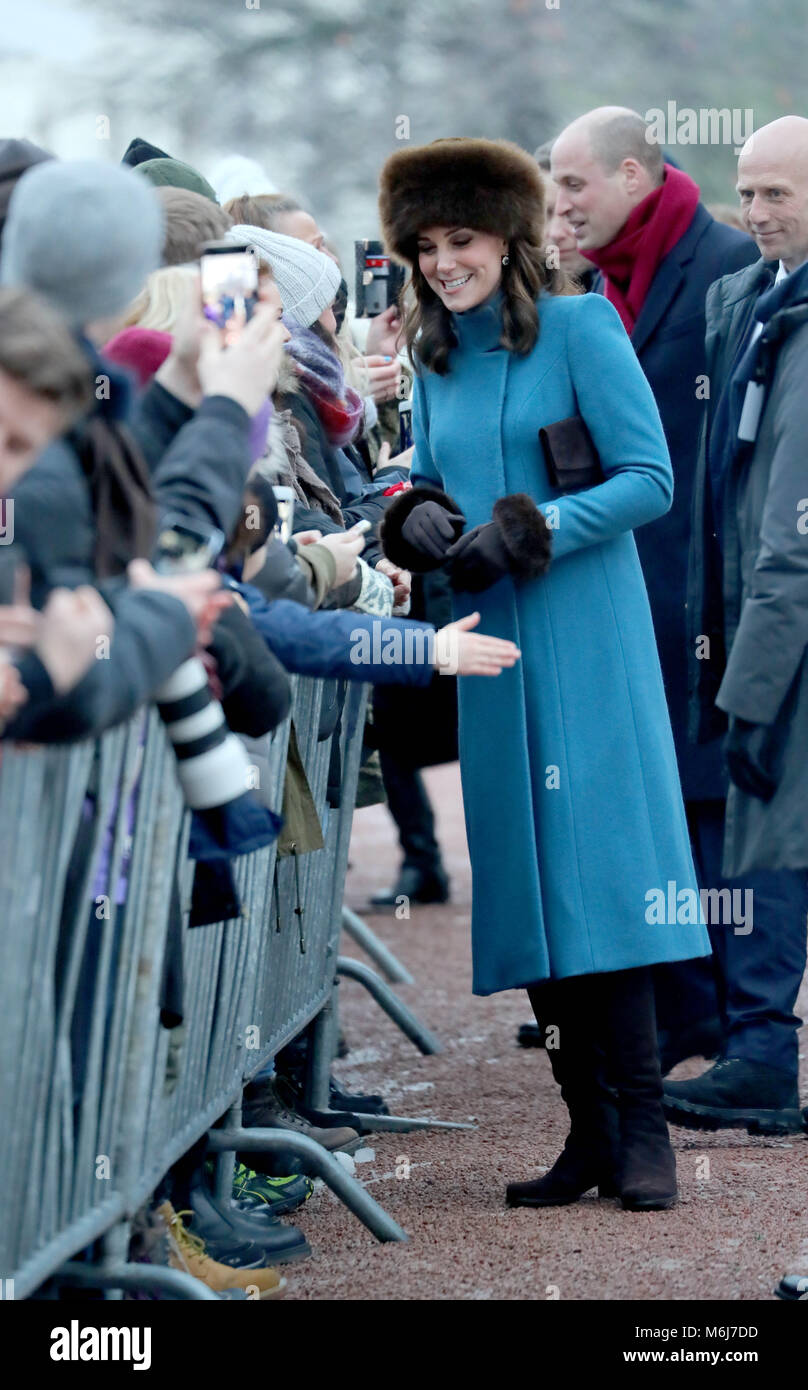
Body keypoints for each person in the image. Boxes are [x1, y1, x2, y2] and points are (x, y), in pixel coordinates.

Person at [378, 136, 711, 1213]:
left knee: (602, 879)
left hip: (588, 640)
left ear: (507, 239)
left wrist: (535, 526)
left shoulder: (580, 326)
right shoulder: (434, 358)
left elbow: (649, 478)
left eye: (461, 240)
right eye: (426, 247)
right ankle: (589, 1130)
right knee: (527, 886)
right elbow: (430, 478)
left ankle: (646, 1129)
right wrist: (416, 516)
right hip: (491, 649)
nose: (443, 263)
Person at [550, 106, 759, 1071]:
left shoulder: (725, 264)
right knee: (647, 794)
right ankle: (677, 1002)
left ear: (631, 174)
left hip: (709, 583)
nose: (559, 204)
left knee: (709, 801)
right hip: (623, 578)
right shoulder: (600, 282)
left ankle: (735, 1022)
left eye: (573, 183)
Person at [666, 116, 808, 1135]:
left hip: (783, 621)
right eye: (746, 192)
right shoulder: (757, 302)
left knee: (770, 831)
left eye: (776, 194)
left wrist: (750, 683)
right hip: (751, 610)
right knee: (761, 830)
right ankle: (755, 1052)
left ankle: (761, 1057)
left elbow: (792, 537)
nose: (753, 213)